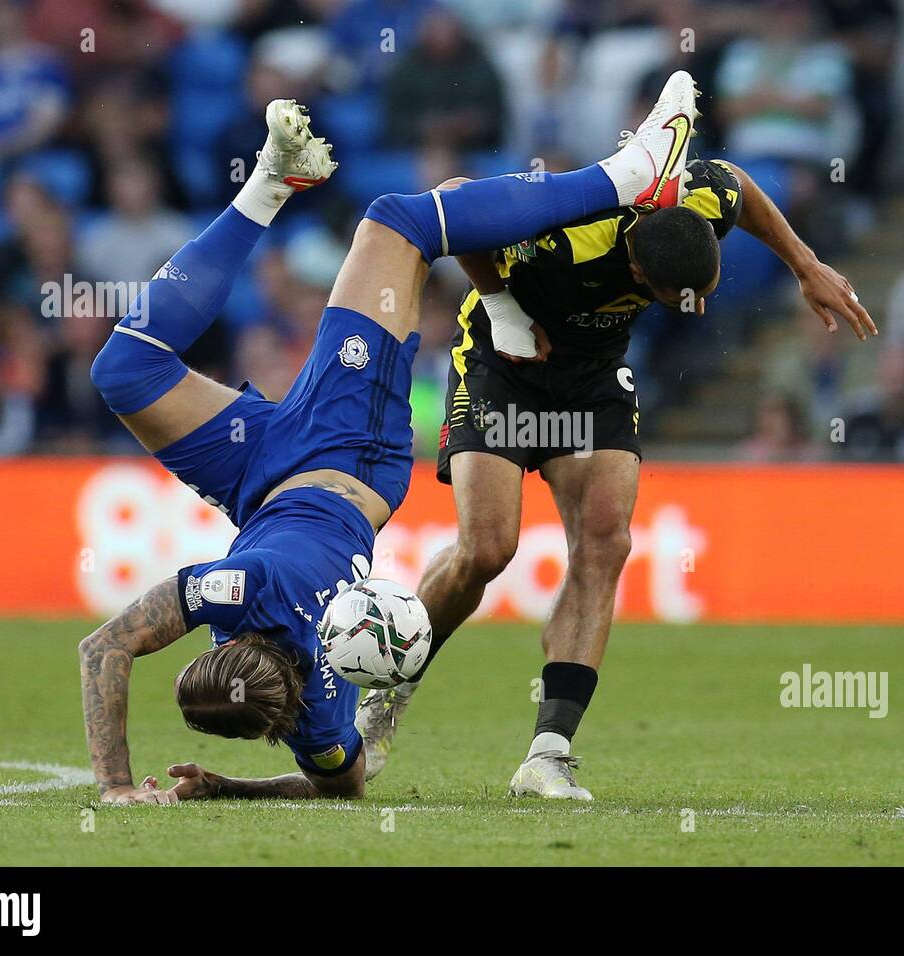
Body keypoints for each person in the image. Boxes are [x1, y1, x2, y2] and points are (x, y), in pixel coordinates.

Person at [76, 74, 702, 804]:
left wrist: (229, 789)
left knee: (125, 369)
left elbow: (342, 786)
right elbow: (104, 650)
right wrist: (116, 787)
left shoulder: (321, 720)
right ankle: (629, 174)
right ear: (237, 643)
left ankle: (274, 183)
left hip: (255, 479)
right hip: (347, 449)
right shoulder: (243, 590)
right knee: (395, 222)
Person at [354, 153, 876, 799]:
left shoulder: (698, 198)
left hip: (593, 379)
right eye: (675, 297)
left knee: (606, 541)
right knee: (487, 549)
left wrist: (806, 265)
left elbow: (739, 182)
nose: (691, 310)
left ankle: (548, 754)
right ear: (634, 268)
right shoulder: (567, 231)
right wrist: (501, 302)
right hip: (505, 363)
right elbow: (456, 196)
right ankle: (390, 693)